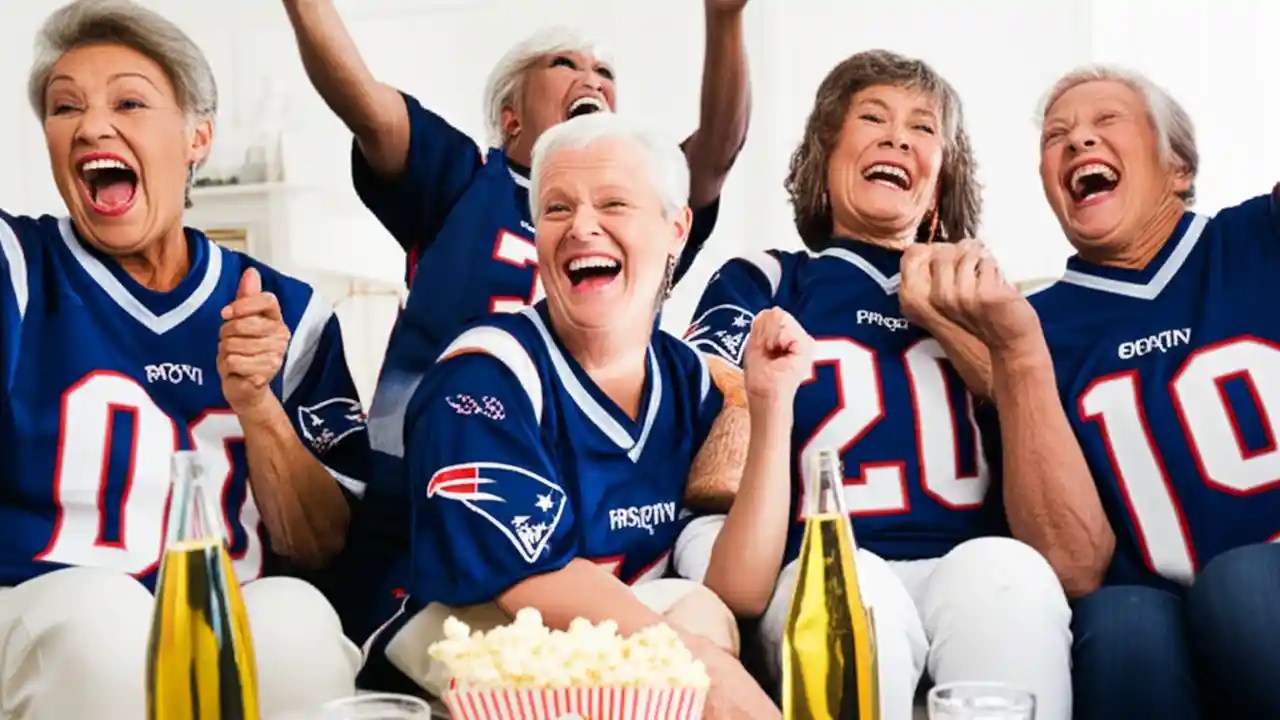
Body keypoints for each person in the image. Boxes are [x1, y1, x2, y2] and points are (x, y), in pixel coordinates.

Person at [281, 0, 753, 638]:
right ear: (511, 119)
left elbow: (715, 153)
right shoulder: (464, 183)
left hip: (591, 488)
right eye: (565, 63)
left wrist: (725, 21)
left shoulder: (637, 207)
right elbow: (364, 100)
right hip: (450, 483)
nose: (592, 77)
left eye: (605, 70)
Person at [356, 112, 802, 718]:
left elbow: (738, 592)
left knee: (706, 613)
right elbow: (532, 584)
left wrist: (770, 404)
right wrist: (698, 671)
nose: (582, 227)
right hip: (468, 658)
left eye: (614, 204)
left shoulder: (690, 378)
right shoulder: (483, 373)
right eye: (557, 209)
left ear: (677, 229)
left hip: (625, 651)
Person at [677, 50, 1072, 720]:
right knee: (855, 598)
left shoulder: (986, 301)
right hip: (817, 554)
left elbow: (1042, 447)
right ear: (824, 162)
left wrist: (962, 329)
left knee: (1014, 579)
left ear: (941, 183)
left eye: (923, 128)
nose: (897, 136)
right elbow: (712, 393)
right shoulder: (772, 278)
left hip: (961, 554)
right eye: (872, 118)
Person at [0, 1, 365, 717]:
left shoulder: (288, 313)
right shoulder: (17, 264)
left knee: (298, 625)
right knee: (100, 622)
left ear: (197, 136)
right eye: (63, 106)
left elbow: (320, 545)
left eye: (129, 101)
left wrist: (257, 403)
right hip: (46, 603)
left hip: (223, 600)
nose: (91, 126)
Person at [927, 64, 1280, 720]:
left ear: (1178, 166)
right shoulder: (1034, 325)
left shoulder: (1259, 236)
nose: (1077, 142)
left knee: (1241, 582)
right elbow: (1071, 566)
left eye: (1105, 122)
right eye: (1056, 136)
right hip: (1155, 613)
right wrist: (1017, 354)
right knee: (1118, 622)